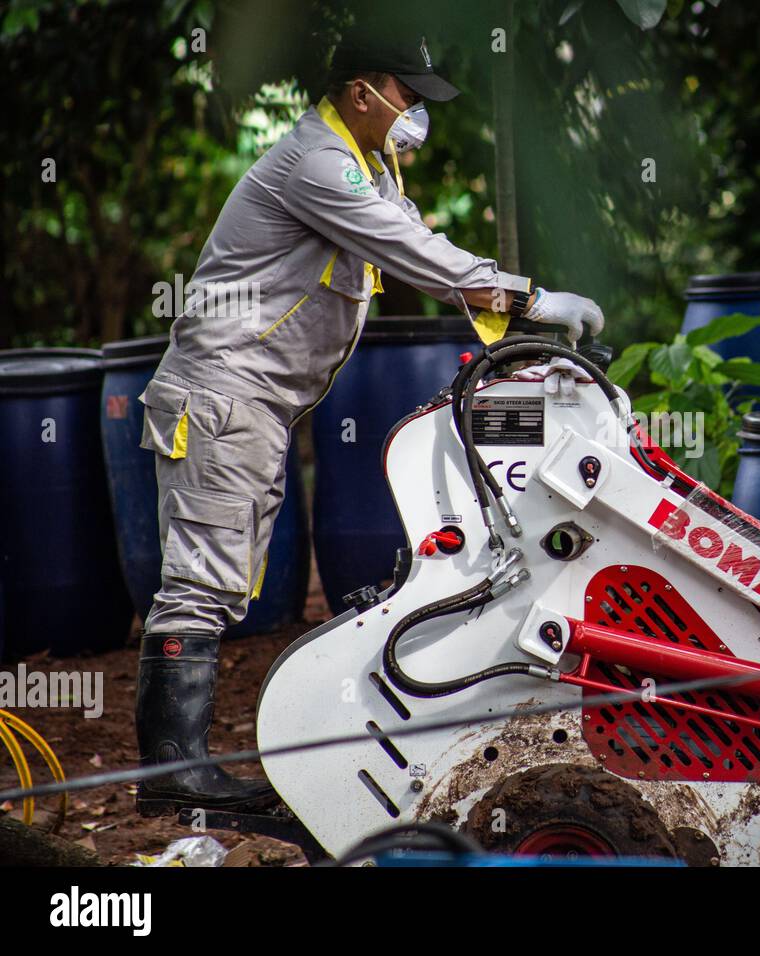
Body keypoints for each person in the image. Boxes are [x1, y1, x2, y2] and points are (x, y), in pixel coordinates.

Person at [133, 29, 604, 816]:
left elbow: (426, 245)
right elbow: (410, 249)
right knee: (202, 582)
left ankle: (179, 773)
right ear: (362, 92)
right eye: (407, 97)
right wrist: (526, 298)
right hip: (223, 393)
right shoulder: (318, 163)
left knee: (223, 581)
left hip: (255, 402)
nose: (415, 115)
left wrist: (510, 327)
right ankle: (170, 777)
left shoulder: (367, 166)